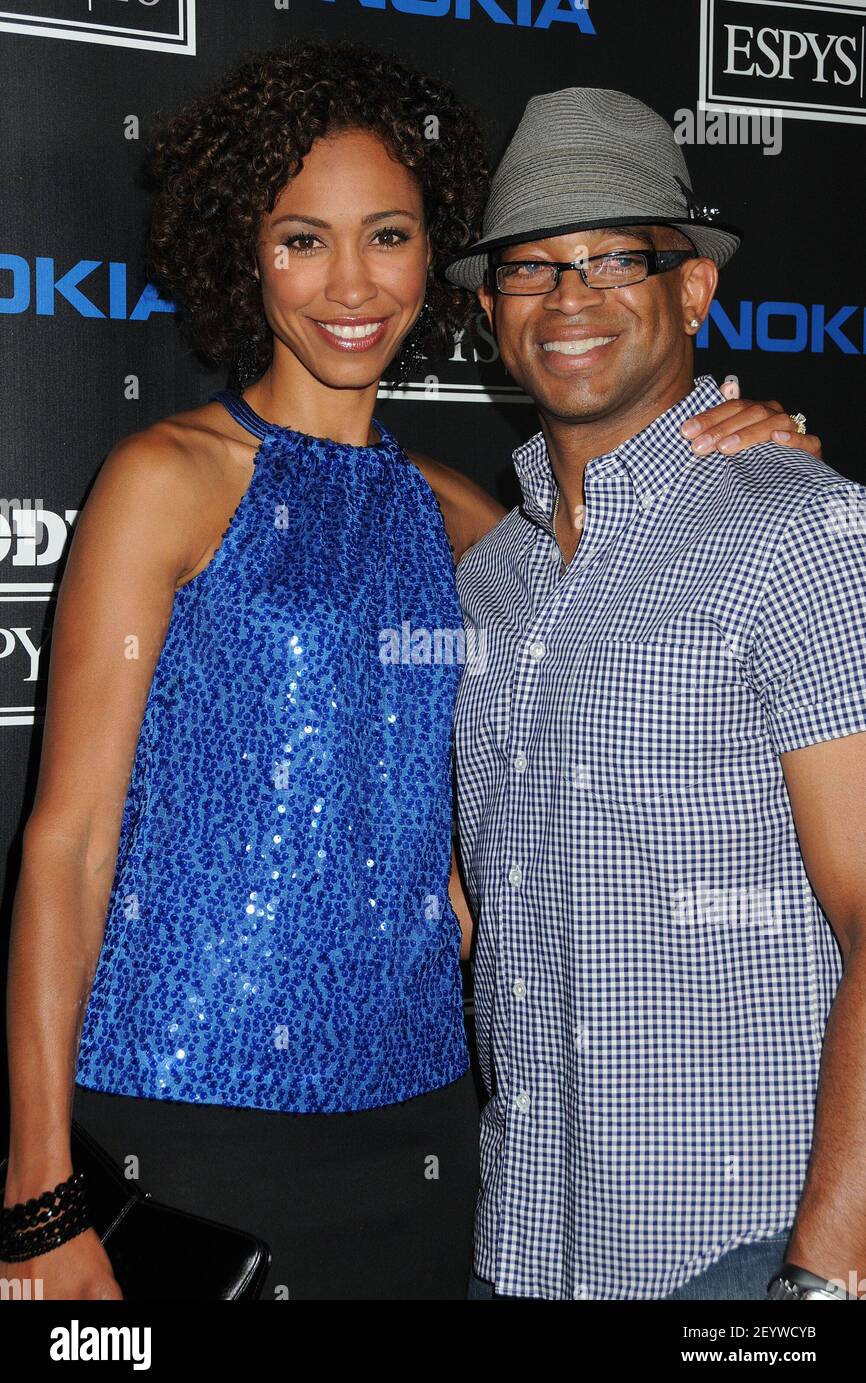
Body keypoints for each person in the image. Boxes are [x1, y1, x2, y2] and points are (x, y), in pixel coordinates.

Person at [0, 42, 821, 1302]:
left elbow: (630, 556)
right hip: (186, 1116)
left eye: (384, 235)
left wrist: (756, 442)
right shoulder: (161, 482)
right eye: (300, 239)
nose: (348, 282)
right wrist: (40, 1188)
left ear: (433, 258)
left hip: (432, 1133)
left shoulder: (459, 516)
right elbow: (68, 841)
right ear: (247, 253)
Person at [444, 87, 866, 1301]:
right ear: (488, 310)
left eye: (613, 258)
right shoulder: (490, 582)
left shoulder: (800, 533)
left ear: (692, 290)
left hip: (738, 1254)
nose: (568, 299)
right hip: (523, 1239)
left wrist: (821, 1276)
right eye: (530, 269)